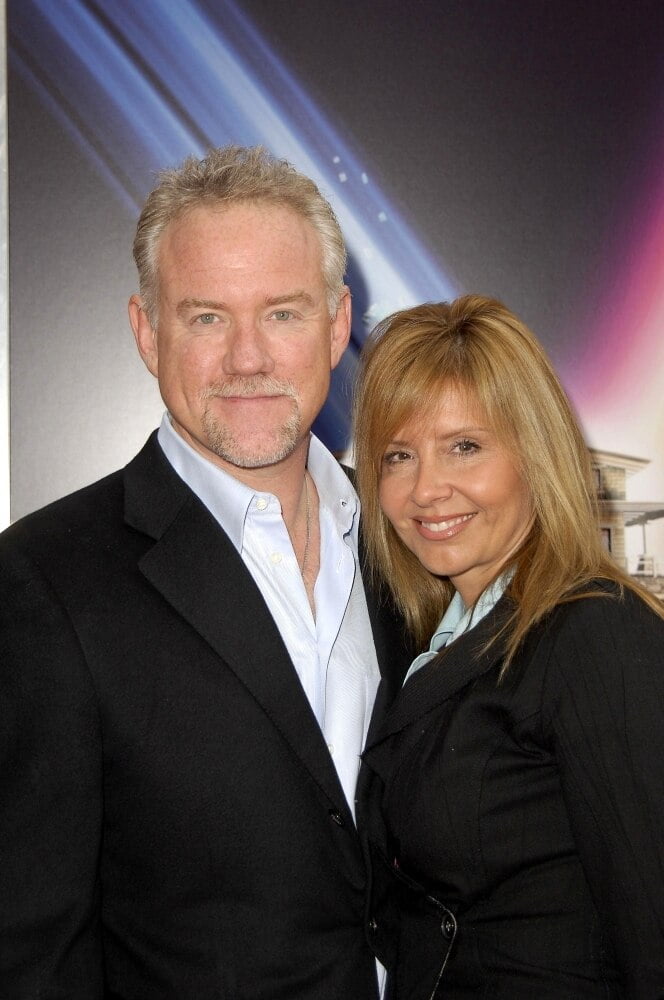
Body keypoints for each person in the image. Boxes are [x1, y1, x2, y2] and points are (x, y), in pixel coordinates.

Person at [0, 146, 411, 998]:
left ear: (337, 326)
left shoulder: (410, 550)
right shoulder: (43, 581)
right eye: (206, 318)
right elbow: (28, 947)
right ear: (147, 330)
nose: (249, 358)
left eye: (284, 314)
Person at [352, 295, 664, 999]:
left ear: (535, 453)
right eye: (398, 456)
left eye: (465, 446)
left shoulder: (594, 635)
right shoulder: (434, 641)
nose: (426, 489)